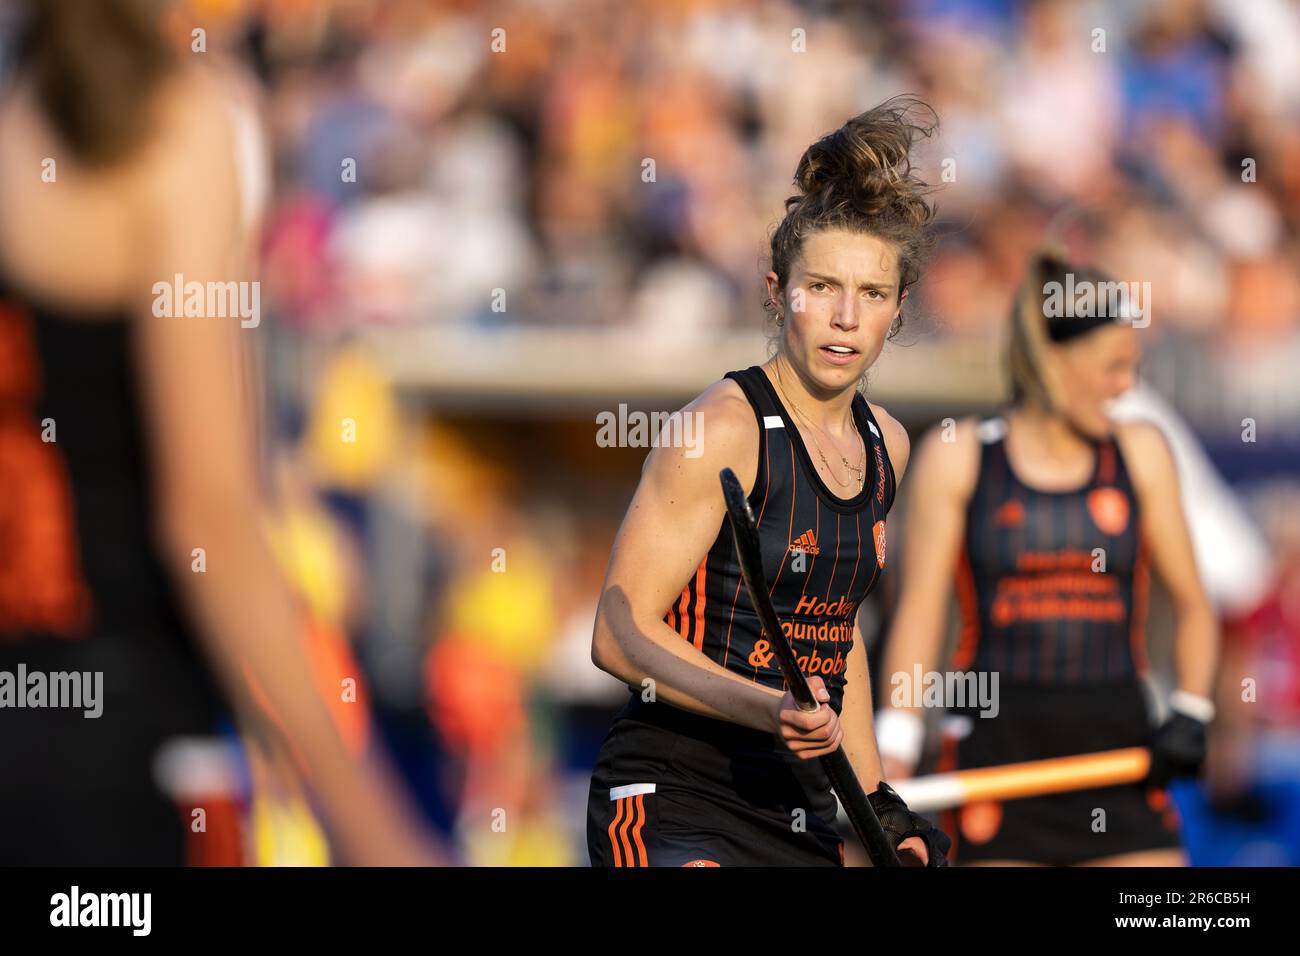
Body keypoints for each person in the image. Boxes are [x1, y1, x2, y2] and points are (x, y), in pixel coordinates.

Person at [0, 0, 438, 865]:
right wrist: (376, 832)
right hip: (108, 747)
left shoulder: (31, 101)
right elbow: (206, 522)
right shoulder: (170, 123)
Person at [586, 97, 951, 867]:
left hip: (798, 811)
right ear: (776, 288)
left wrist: (876, 801)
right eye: (821, 287)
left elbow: (834, 628)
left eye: (873, 295)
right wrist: (769, 709)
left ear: (899, 310)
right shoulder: (721, 429)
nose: (845, 317)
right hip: (669, 798)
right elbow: (617, 636)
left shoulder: (888, 444)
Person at [876, 252, 1219, 866]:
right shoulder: (958, 458)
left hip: (1120, 756)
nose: (1125, 388)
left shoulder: (1141, 452)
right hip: (996, 760)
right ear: (1053, 360)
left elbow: (1194, 603)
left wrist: (1191, 710)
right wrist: (894, 747)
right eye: (1113, 368)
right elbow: (919, 616)